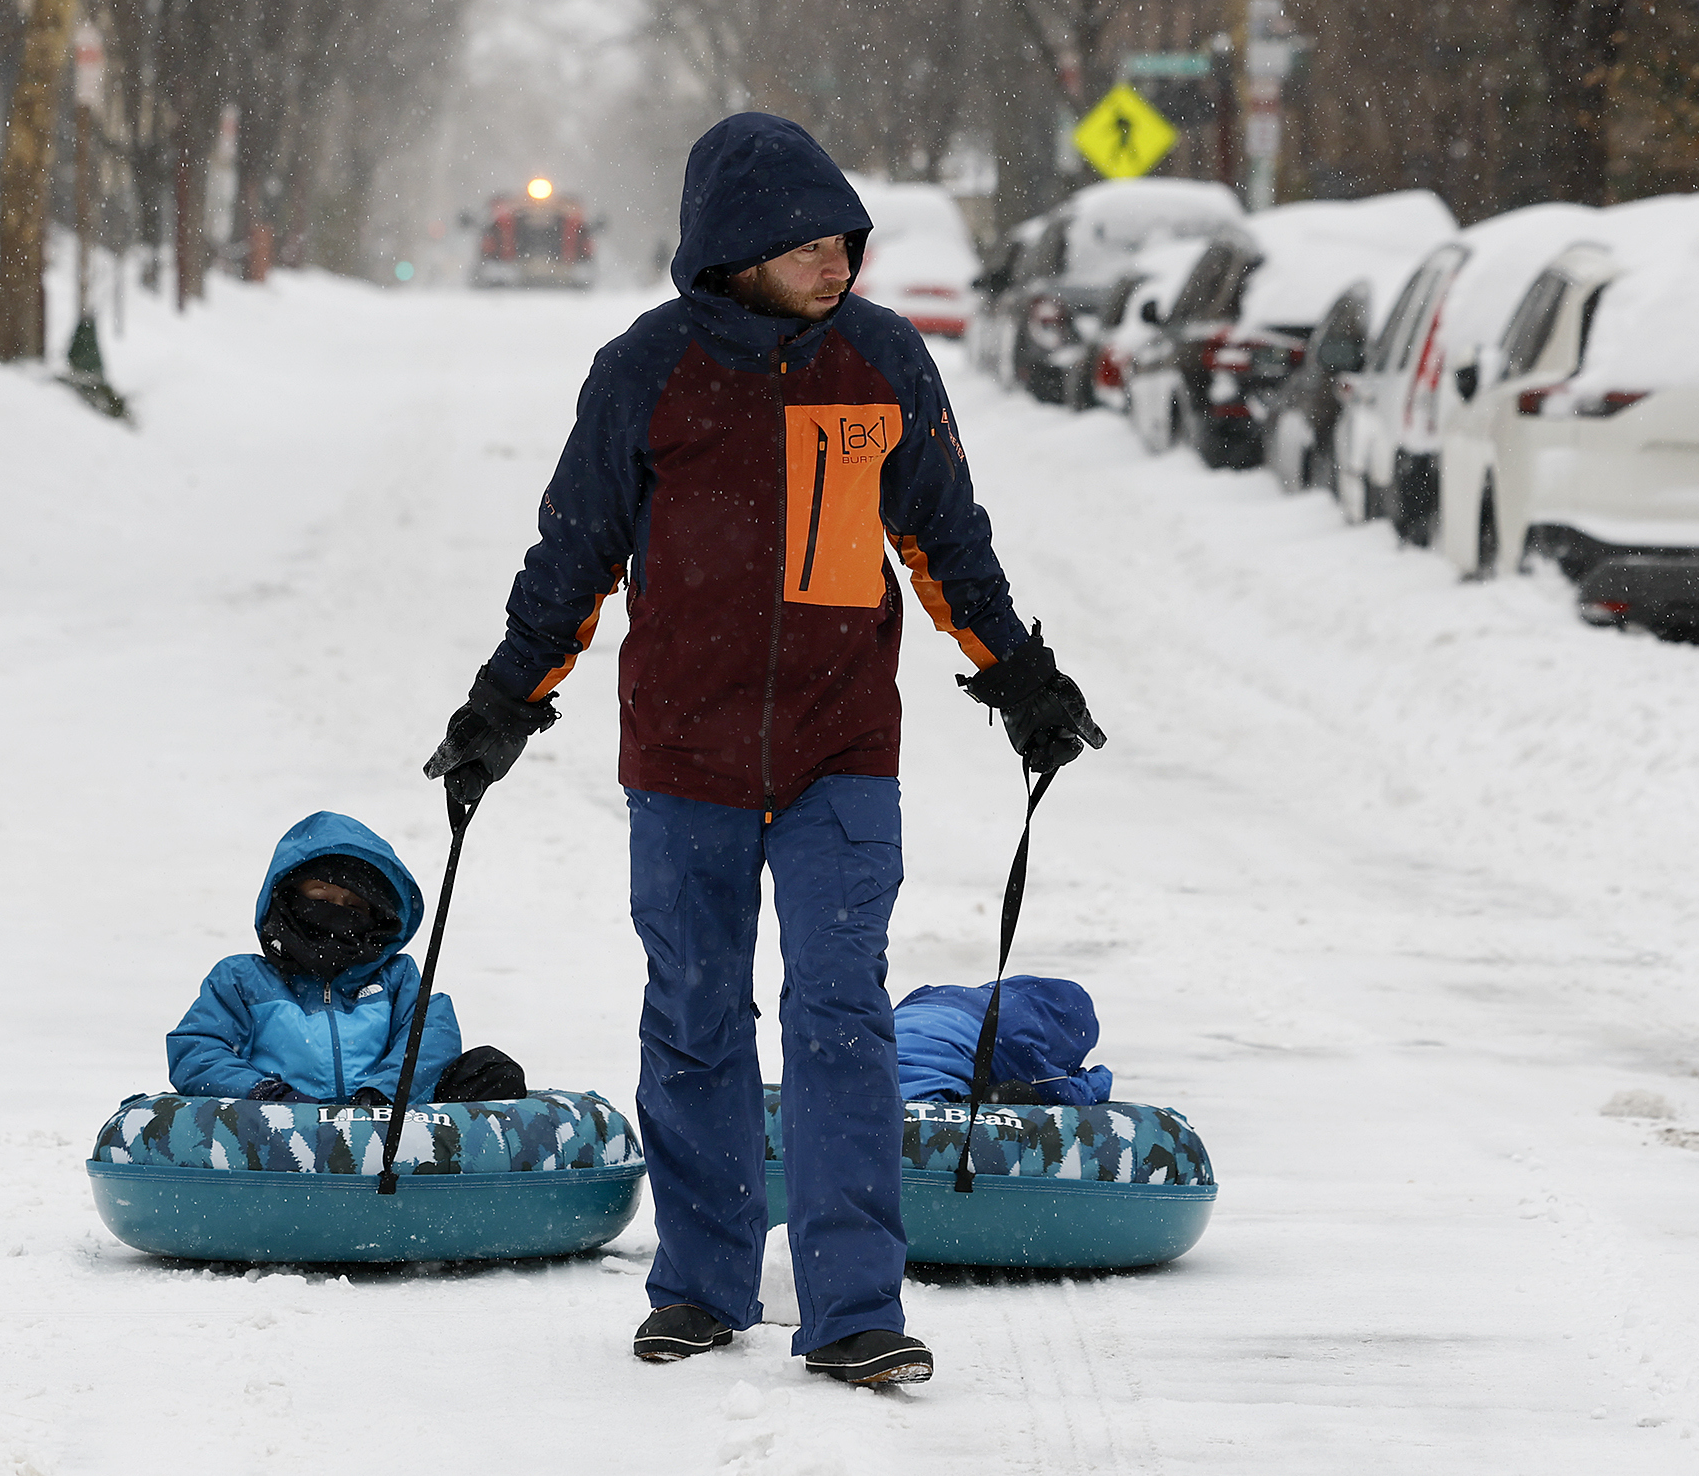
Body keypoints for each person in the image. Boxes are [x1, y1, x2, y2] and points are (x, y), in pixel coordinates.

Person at [423, 114, 1102, 1386]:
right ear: (736, 251)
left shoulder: (882, 361)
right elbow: (573, 560)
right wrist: (502, 704)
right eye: (806, 243)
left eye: (844, 237)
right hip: (684, 756)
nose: (837, 260)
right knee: (693, 1016)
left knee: (842, 1015)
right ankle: (700, 1284)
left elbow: (948, 540)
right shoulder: (647, 373)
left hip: (844, 746)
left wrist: (1019, 676)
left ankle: (853, 1304)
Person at [167, 812, 525, 1106]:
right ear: (289, 897)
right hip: (272, 1138)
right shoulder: (242, 979)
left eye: (353, 906)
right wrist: (269, 1095)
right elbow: (197, 1049)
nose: (336, 914)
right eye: (322, 896)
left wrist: (379, 1096)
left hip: (385, 1131)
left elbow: (431, 1036)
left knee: (491, 1071)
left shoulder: (396, 978)